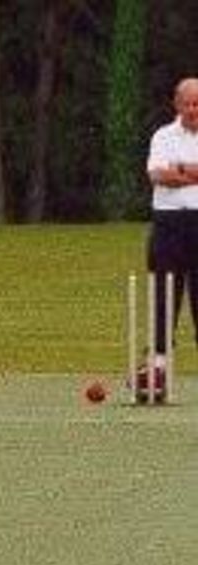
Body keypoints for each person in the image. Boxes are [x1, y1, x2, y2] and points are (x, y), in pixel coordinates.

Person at [145, 77, 198, 368]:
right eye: (188, 103)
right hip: (169, 224)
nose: (193, 110)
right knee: (165, 292)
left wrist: (177, 169)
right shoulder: (163, 136)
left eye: (197, 104)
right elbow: (157, 176)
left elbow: (170, 173)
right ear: (177, 104)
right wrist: (189, 173)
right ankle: (159, 362)